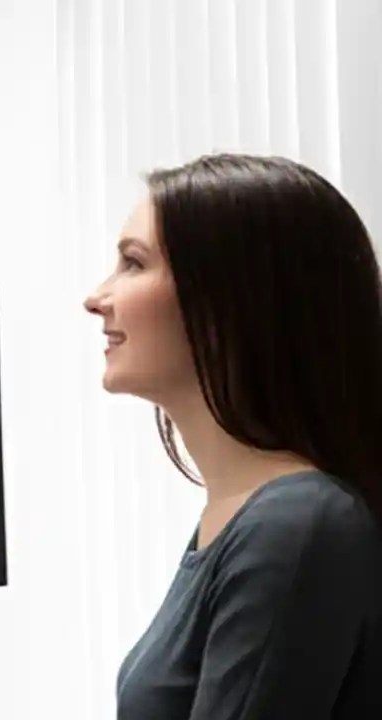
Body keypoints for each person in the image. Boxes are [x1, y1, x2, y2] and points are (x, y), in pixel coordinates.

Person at [84, 153, 382, 718]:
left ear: (229, 298)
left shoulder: (296, 524)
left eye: (133, 263)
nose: (97, 298)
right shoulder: (247, 518)